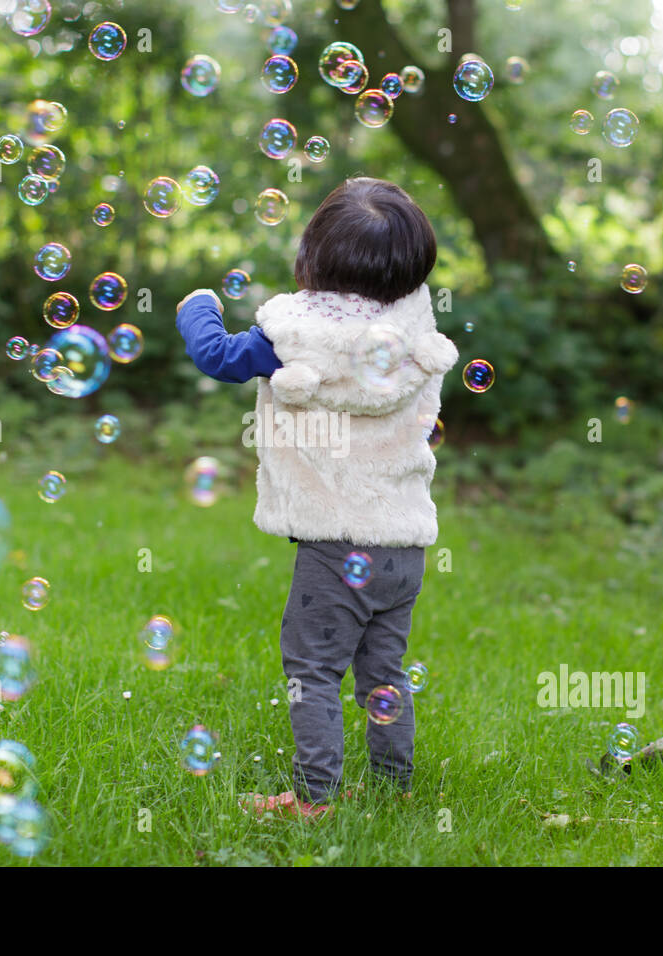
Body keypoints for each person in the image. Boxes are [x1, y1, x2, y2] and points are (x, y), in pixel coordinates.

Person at [174, 177, 458, 818]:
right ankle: (392, 786)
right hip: (403, 546)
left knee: (313, 672)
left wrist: (196, 305)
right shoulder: (414, 336)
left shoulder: (294, 337)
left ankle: (314, 799)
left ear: (312, 258)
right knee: (383, 674)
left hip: (336, 547)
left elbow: (216, 354)